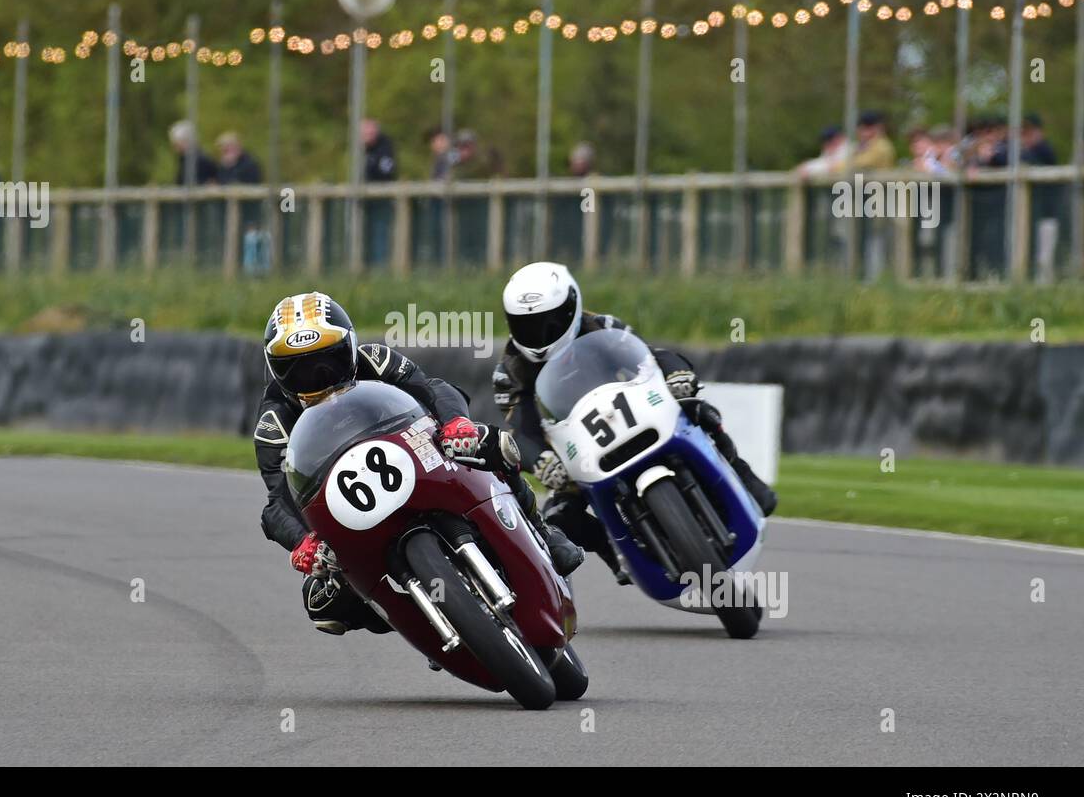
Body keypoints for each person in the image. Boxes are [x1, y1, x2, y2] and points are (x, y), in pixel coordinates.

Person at [254, 292, 583, 636]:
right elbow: (277, 503)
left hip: (418, 454)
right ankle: (420, 620)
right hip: (349, 507)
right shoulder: (274, 423)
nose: (318, 379)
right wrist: (302, 542)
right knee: (322, 604)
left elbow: (432, 388)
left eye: (327, 361)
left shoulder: (375, 360)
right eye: (298, 371)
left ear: (349, 348)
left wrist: (456, 423)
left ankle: (543, 531)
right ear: (276, 372)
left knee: (492, 445)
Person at [492, 262, 778, 585]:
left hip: (636, 414)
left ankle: (744, 476)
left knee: (699, 412)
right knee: (559, 517)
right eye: (526, 325)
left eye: (549, 322)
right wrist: (541, 461)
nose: (539, 334)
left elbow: (652, 357)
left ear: (571, 307)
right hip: (581, 451)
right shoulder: (509, 371)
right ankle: (614, 552)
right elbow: (521, 428)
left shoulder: (602, 327)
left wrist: (677, 376)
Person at [169, 120, 219, 185]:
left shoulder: (202, 160)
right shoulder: (184, 159)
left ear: (186, 141)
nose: (175, 148)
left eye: (177, 144)